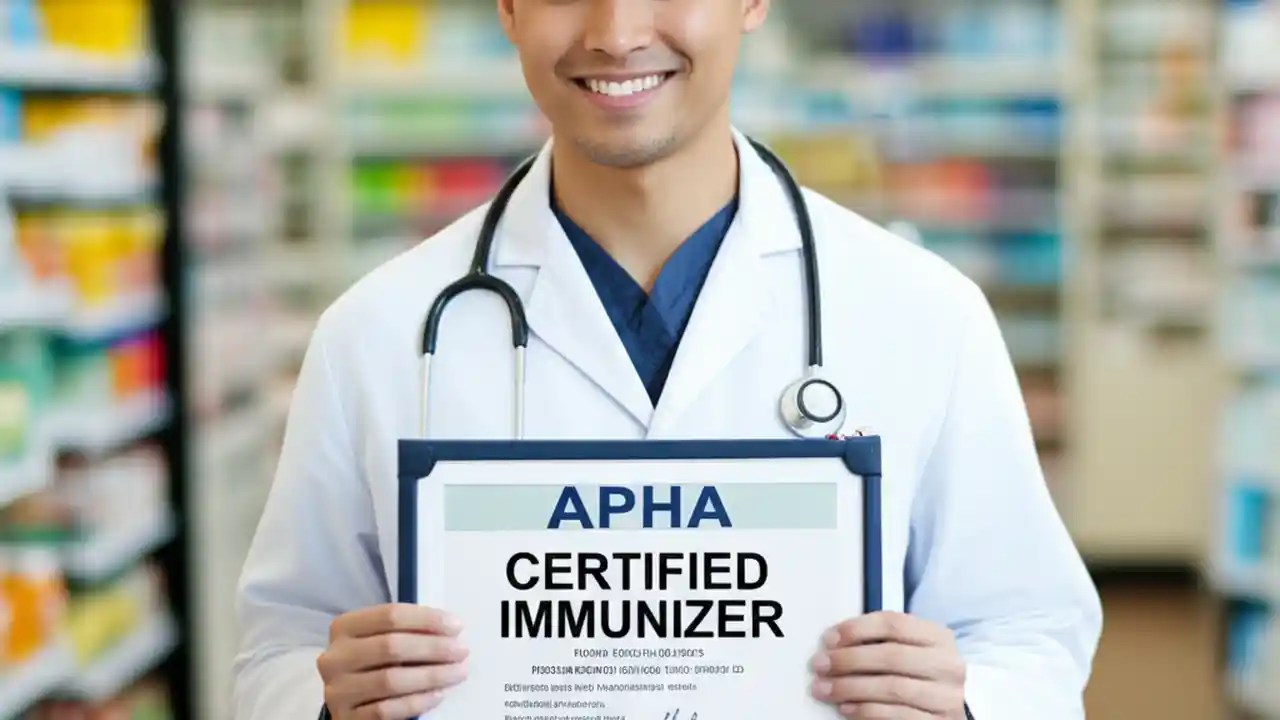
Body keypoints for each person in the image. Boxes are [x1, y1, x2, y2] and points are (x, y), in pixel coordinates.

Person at [232, 1, 1103, 719]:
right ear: (506, 7)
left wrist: (963, 701)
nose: (616, 32)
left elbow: (1029, 633)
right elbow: (278, 644)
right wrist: (326, 698)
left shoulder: (923, 313)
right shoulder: (377, 333)